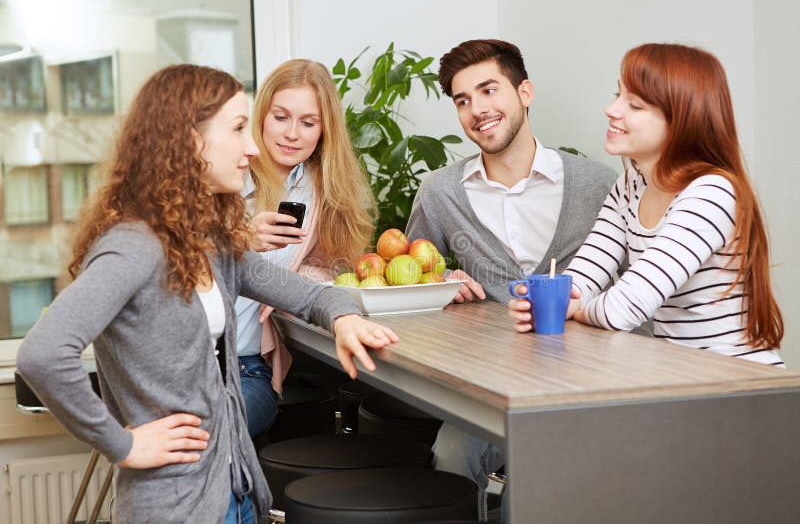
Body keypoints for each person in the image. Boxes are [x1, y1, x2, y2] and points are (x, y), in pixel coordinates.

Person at [16, 64, 398, 524]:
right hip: (176, 506)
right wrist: (124, 443)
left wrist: (345, 318)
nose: (253, 146)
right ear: (190, 141)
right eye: (239, 128)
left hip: (233, 490)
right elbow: (42, 353)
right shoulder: (134, 245)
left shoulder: (209, 243)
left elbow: (306, 294)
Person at [405, 39, 617, 521]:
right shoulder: (439, 192)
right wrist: (443, 285)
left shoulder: (595, 183)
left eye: (488, 90)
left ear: (525, 92)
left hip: (581, 385)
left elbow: (628, 290)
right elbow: (414, 283)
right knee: (452, 454)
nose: (477, 109)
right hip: (489, 387)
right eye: (462, 100)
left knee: (540, 481)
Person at [509, 43, 784, 367]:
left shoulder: (712, 192)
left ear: (682, 120)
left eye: (635, 105)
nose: (612, 110)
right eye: (617, 95)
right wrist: (546, 302)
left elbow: (624, 309)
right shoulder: (629, 186)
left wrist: (573, 308)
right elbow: (581, 280)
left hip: (739, 386)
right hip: (681, 380)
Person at [234, 59, 375, 439]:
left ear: (324, 129)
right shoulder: (226, 176)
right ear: (261, 115)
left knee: (211, 435)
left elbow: (337, 271)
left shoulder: (324, 191)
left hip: (247, 367)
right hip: (189, 363)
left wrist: (293, 280)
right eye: (281, 117)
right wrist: (238, 237)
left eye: (308, 123)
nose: (292, 134)